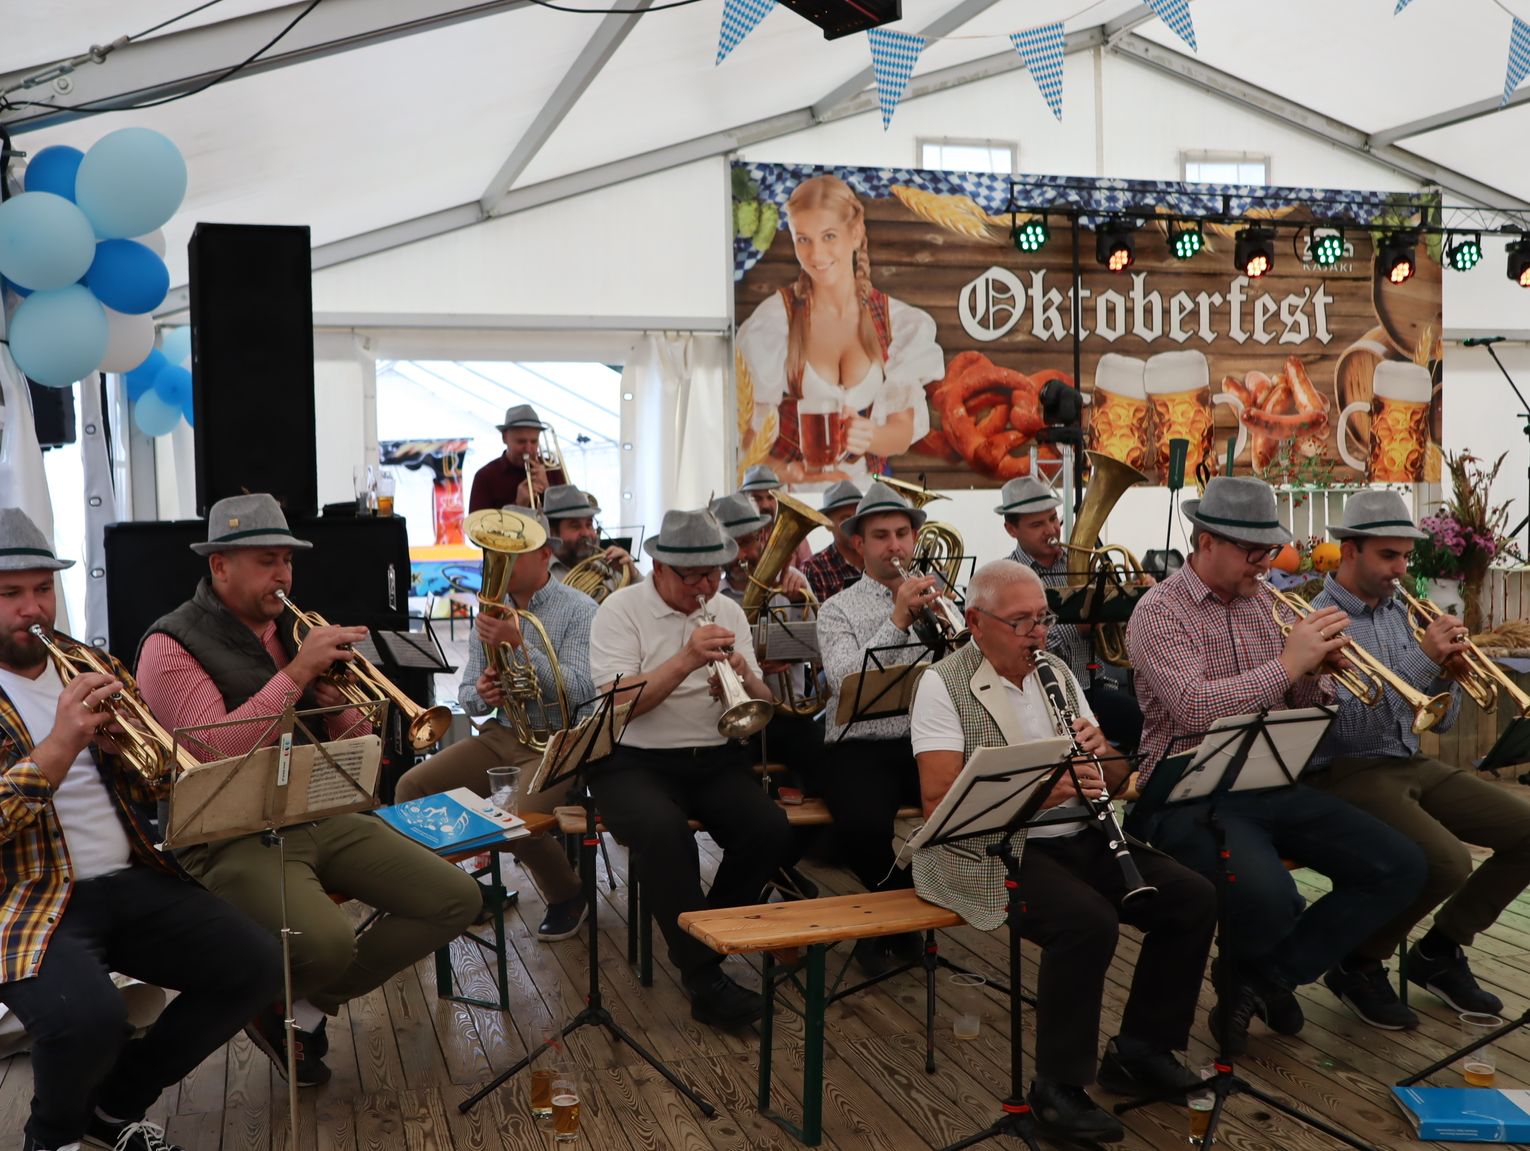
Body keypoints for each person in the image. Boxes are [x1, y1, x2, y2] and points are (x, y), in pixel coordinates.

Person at [135, 495, 482, 1086]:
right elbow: (214, 752)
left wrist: (339, 705)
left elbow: (357, 741)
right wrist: (295, 677)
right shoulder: (170, 646)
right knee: (328, 944)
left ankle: (300, 1009)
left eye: (289, 562)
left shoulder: (290, 630)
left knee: (456, 898)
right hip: (227, 834)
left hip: (314, 811)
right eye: (268, 560)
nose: (284, 576)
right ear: (219, 566)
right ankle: (282, 1000)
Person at [0, 508, 282, 1151]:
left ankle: (114, 1108)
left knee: (257, 965)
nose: (33, 609)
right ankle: (52, 1138)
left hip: (127, 876)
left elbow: (157, 776)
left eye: (43, 589)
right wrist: (61, 743)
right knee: (89, 1019)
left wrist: (150, 762)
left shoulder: (87, 663)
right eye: (11, 594)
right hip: (22, 899)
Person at [911, 560, 1215, 1144]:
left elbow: (1116, 774)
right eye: (1020, 622)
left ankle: (1140, 1050)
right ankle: (1056, 1088)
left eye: (1043, 620)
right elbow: (937, 799)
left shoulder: (1057, 672)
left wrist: (1107, 754)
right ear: (976, 622)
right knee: (1087, 922)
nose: (1037, 634)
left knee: (1191, 897)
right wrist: (1053, 785)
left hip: (1081, 834)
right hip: (995, 847)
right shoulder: (941, 684)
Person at [1125, 477, 1427, 1055]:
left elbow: (1297, 704)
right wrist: (1290, 663)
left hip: (1264, 774)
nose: (1265, 564)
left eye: (1269, 550)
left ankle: (1262, 978)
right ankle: (1258, 973)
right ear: (1206, 541)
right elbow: (1192, 705)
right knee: (1273, 898)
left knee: (1400, 866)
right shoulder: (1158, 611)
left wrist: (1320, 674)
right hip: (1184, 783)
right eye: (1252, 551)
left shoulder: (1267, 605)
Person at [1303, 490, 1530, 1029]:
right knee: (1447, 860)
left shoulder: (1405, 612)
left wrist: (1449, 671)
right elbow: (1351, 728)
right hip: (1343, 769)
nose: (1401, 569)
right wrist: (1424, 660)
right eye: (1389, 555)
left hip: (1407, 762)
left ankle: (1440, 951)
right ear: (1350, 551)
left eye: (1405, 556)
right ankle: (1358, 962)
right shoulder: (1322, 621)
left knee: (1527, 829)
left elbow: (1436, 720)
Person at [587, 509, 796, 1028]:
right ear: (658, 566)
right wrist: (684, 659)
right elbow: (617, 706)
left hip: (714, 754)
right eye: (693, 576)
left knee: (769, 829)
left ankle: (705, 942)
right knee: (663, 831)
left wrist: (745, 675)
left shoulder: (727, 607)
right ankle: (704, 978)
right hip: (630, 758)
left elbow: (763, 703)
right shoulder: (619, 611)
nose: (707, 586)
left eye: (715, 573)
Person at [394, 507, 595, 942]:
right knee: (411, 788)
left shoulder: (580, 610)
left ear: (544, 555)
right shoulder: (491, 610)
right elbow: (466, 695)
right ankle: (458, 895)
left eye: (509, 554)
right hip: (503, 733)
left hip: (558, 741)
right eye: (489, 552)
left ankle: (568, 895)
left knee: (514, 814)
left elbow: (581, 690)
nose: (493, 563)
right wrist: (481, 693)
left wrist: (522, 648)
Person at [736, 173, 945, 487]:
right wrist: (790, 472)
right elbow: (748, 437)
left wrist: (871, 435)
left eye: (829, 236)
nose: (816, 255)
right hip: (797, 504)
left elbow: (901, 432)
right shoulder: (775, 321)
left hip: (865, 507)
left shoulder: (897, 322)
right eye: (803, 239)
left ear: (856, 233)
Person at [816, 482, 946, 974]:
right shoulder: (838, 609)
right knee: (863, 825)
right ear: (860, 546)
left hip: (926, 736)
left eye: (902, 534)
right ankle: (899, 917)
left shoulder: (938, 597)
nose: (894, 545)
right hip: (860, 742)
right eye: (880, 536)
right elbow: (847, 681)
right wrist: (897, 618)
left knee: (964, 811)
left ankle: (893, 924)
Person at [998, 476, 1144, 752]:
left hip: (1095, 686)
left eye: (1053, 518)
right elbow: (1014, 645)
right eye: (1037, 524)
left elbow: (1124, 636)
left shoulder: (1088, 564)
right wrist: (1078, 628)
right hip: (1042, 696)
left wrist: (1135, 599)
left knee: (1148, 726)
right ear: (1010, 529)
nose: (1051, 530)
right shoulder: (1008, 578)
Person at [468, 404, 567, 513]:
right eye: (521, 442)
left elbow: (571, 517)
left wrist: (548, 489)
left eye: (534, 441)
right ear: (504, 438)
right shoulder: (485, 476)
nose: (528, 449)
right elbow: (477, 527)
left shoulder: (552, 468)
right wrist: (518, 505)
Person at [541, 484, 642, 591]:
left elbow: (647, 601)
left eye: (589, 524)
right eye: (575, 526)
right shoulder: (539, 573)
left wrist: (633, 575)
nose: (586, 533)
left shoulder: (608, 567)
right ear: (552, 533)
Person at [800, 479, 864, 602]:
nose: (853, 524)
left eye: (858, 516)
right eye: (845, 519)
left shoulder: (878, 557)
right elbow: (818, 619)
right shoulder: (813, 568)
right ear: (828, 525)